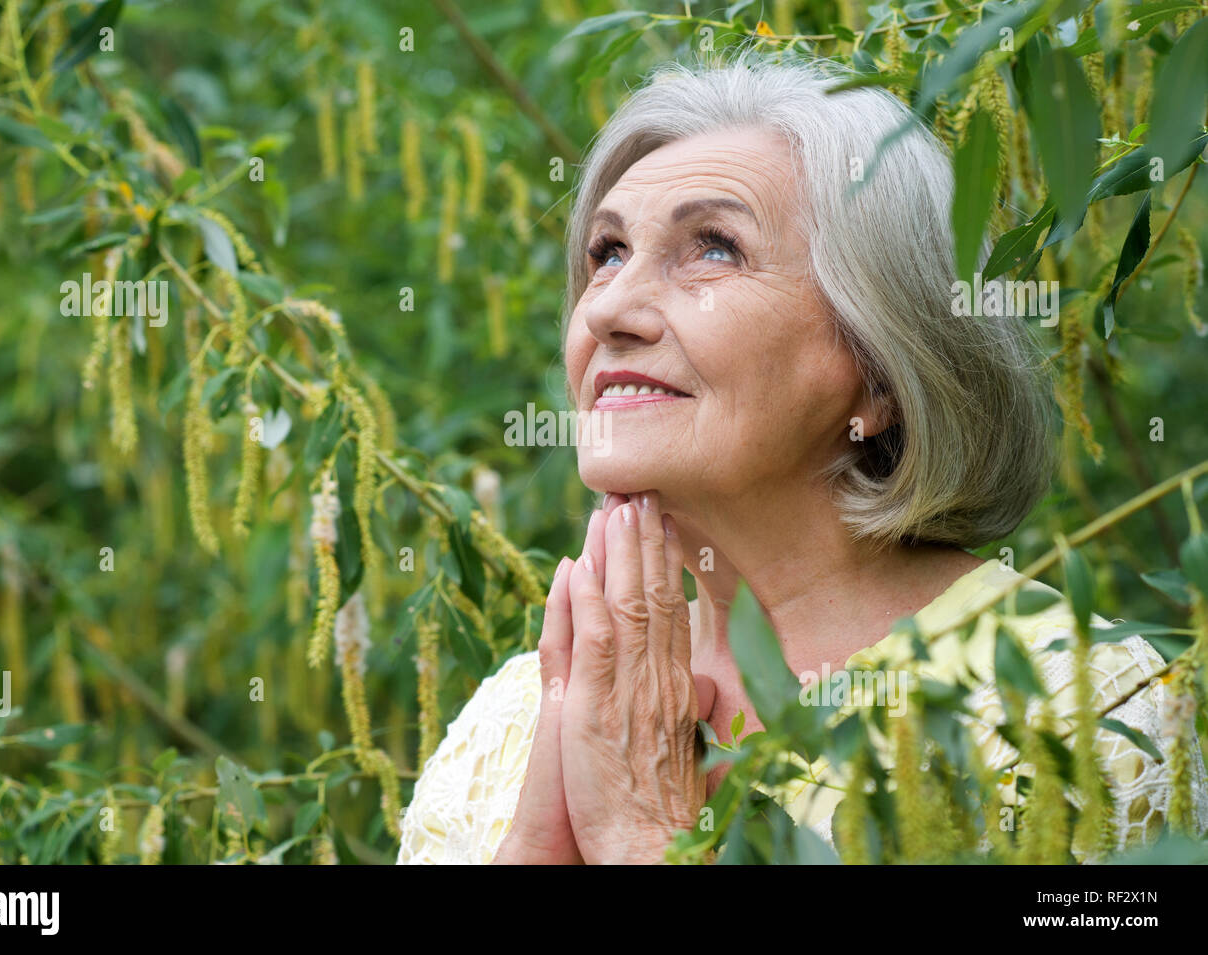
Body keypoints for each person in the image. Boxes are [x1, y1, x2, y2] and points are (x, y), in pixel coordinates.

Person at [396, 51, 1208, 865]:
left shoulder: (1078, 704)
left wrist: (644, 840)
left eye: (713, 247)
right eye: (607, 252)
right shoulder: (504, 721)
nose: (607, 307)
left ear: (882, 365)